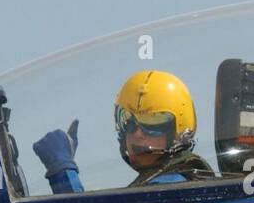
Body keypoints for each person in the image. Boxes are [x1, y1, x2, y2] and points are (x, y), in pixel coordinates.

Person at [33, 70, 216, 194]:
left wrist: (62, 171)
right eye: (127, 120)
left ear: (179, 131)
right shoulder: (161, 182)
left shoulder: (171, 189)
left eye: (153, 121)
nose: (137, 133)